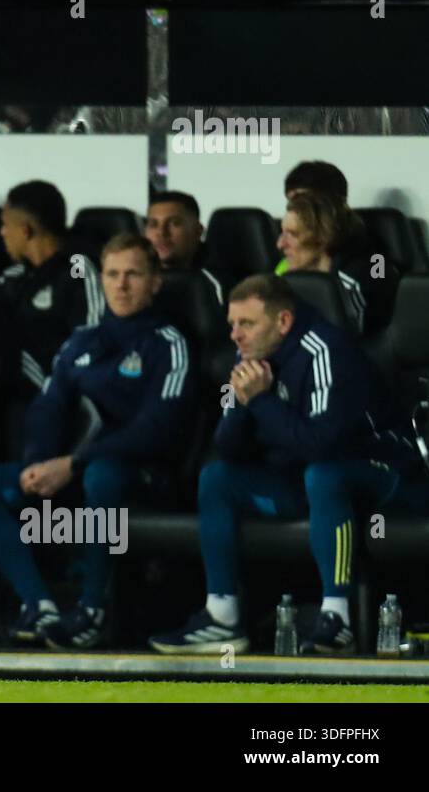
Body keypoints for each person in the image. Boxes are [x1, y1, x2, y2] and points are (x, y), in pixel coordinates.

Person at [150, 275, 429, 655]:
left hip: (384, 475)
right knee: (217, 479)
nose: (236, 335)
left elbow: (321, 446)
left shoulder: (324, 350)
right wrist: (244, 403)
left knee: (324, 474)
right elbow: (227, 448)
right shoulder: (249, 358)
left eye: (247, 323)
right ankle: (222, 616)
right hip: (307, 484)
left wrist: (262, 401)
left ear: (282, 321)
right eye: (232, 324)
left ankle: (336, 619)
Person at [0, 234, 194, 649]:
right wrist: (38, 463)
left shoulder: (169, 343)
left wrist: (74, 462)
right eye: (112, 274)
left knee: (102, 476)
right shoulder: (81, 341)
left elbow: (158, 429)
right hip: (74, 469)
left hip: (142, 474)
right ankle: (41, 607)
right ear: (101, 280)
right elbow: (47, 410)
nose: (121, 285)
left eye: (134, 274)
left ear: (155, 282)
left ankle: (92, 610)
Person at [0, 180, 104, 400]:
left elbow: (91, 340)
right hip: (6, 390)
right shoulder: (12, 277)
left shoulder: (79, 269)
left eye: (6, 224)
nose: (2, 232)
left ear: (25, 230)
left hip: (58, 395)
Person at [277, 189, 397, 335]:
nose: (280, 244)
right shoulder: (284, 281)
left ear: (323, 237)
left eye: (293, 235)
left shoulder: (350, 288)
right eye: (282, 233)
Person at [145, 191, 224, 305]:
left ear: (198, 231)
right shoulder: (132, 278)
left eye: (174, 223)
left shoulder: (214, 285)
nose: (162, 232)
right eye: (153, 224)